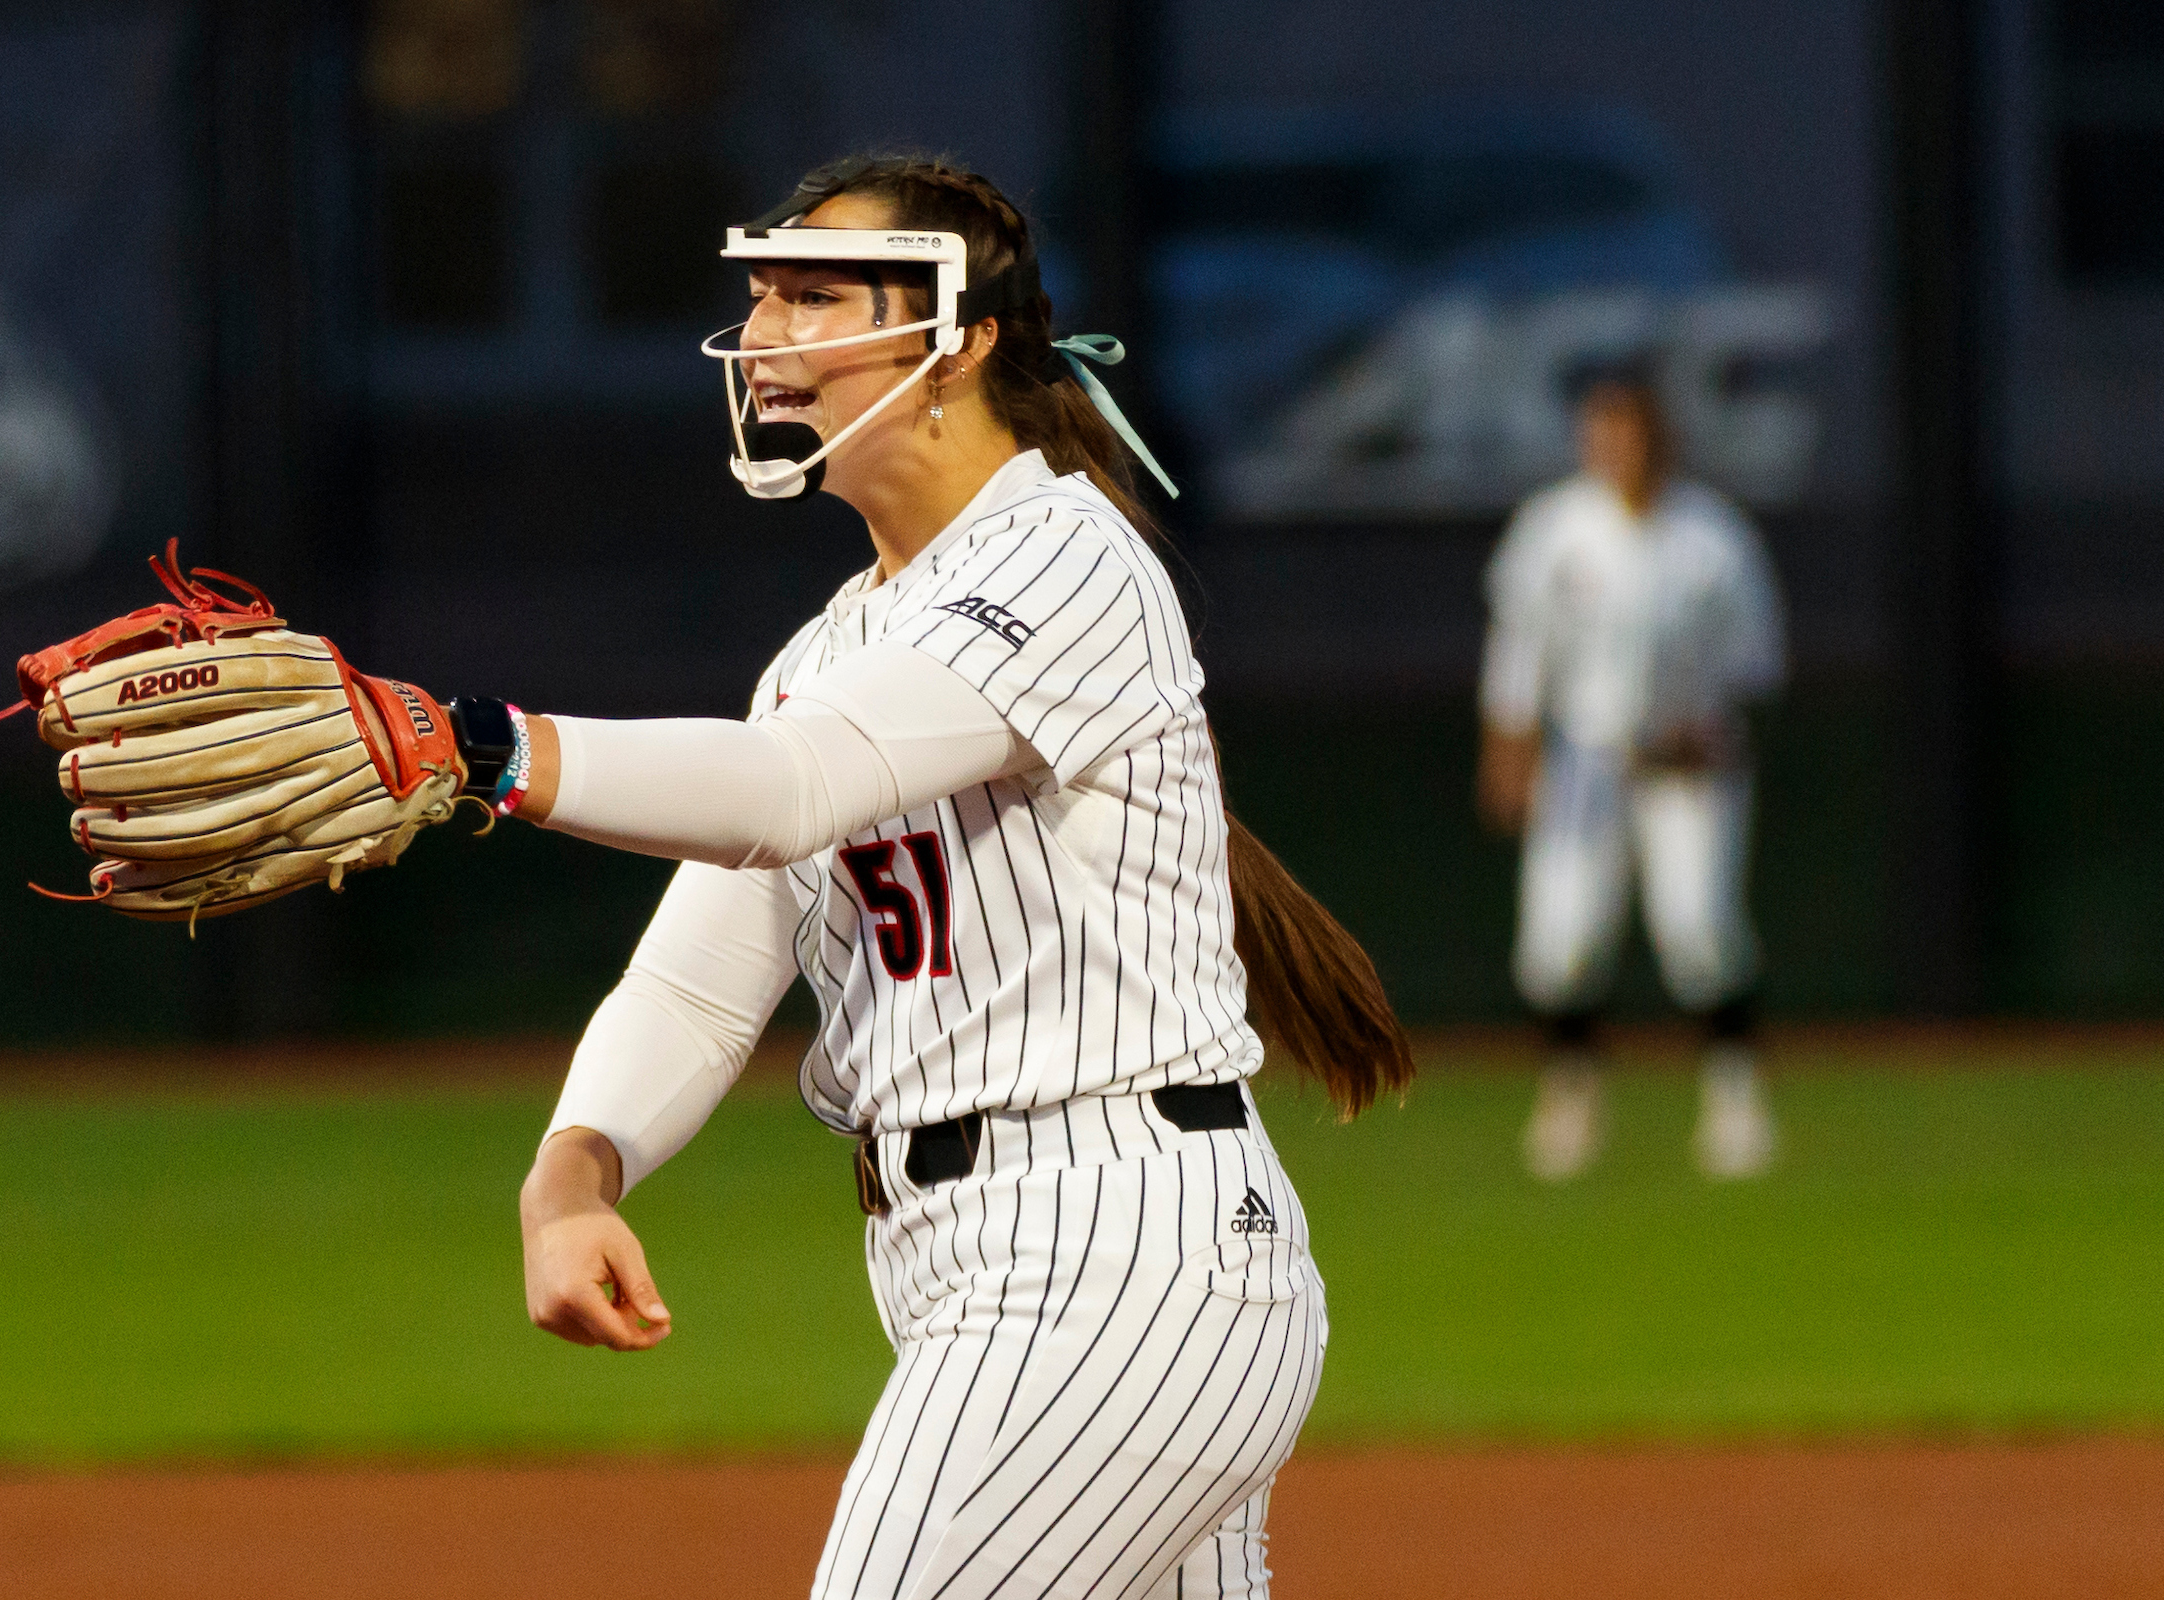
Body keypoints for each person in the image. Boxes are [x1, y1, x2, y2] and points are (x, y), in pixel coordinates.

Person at [493, 156, 1412, 1598]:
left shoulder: (1065, 560)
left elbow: (787, 791)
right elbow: (694, 979)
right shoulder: (828, 650)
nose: (770, 333)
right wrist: (572, 1173)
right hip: (994, 1260)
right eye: (762, 297)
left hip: (1115, 1248)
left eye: (816, 294)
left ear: (962, 333)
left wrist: (486, 750)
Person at [1476, 373, 1786, 1182]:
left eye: (1633, 435)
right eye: (1603, 435)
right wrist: (1508, 749)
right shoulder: (1554, 530)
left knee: (1700, 930)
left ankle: (1735, 1098)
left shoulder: (1712, 538)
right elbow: (1518, 650)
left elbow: (1758, 660)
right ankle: (1571, 1095)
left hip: (1689, 764)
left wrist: (1711, 727)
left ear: (1663, 440)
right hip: (1587, 759)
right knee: (1562, 938)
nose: (1617, 452)